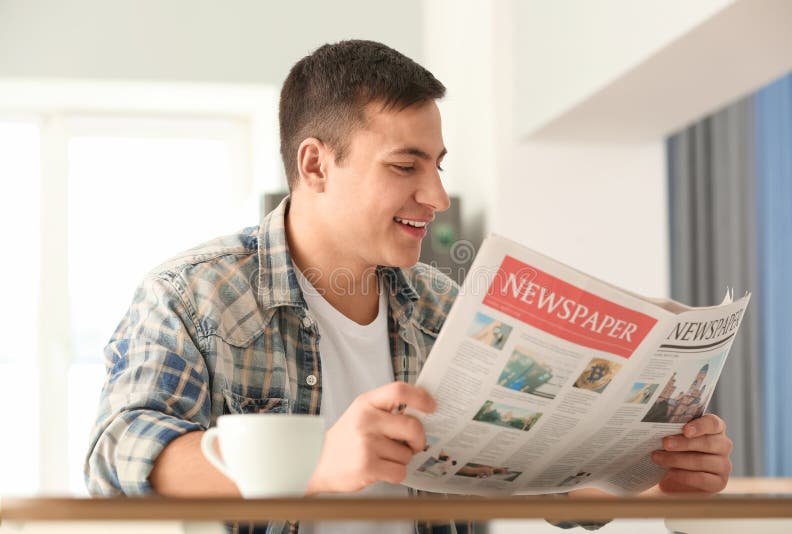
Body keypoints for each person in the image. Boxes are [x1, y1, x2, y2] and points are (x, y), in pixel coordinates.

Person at [85, 40, 734, 533]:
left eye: (437, 166)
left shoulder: (444, 305)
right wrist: (315, 462)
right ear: (315, 165)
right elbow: (118, 457)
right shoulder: (192, 294)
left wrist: (656, 481)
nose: (437, 196)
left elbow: (542, 485)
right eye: (405, 166)